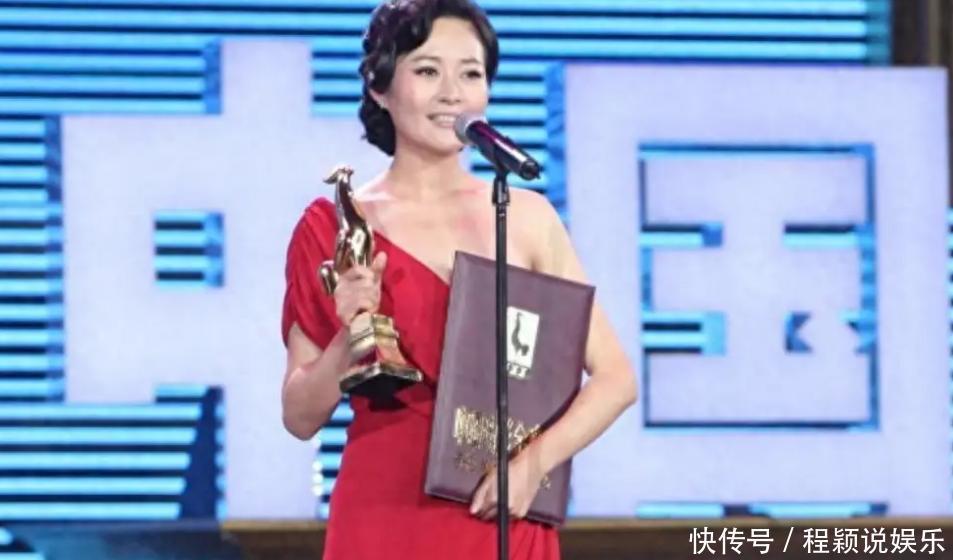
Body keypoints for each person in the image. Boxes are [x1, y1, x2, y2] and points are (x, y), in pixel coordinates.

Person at [280, 1, 637, 558]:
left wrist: (534, 464)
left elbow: (616, 379)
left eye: (470, 74)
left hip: (502, 509)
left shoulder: (526, 216)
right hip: (384, 516)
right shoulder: (336, 225)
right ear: (379, 88)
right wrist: (349, 340)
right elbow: (299, 416)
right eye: (427, 71)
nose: (452, 94)